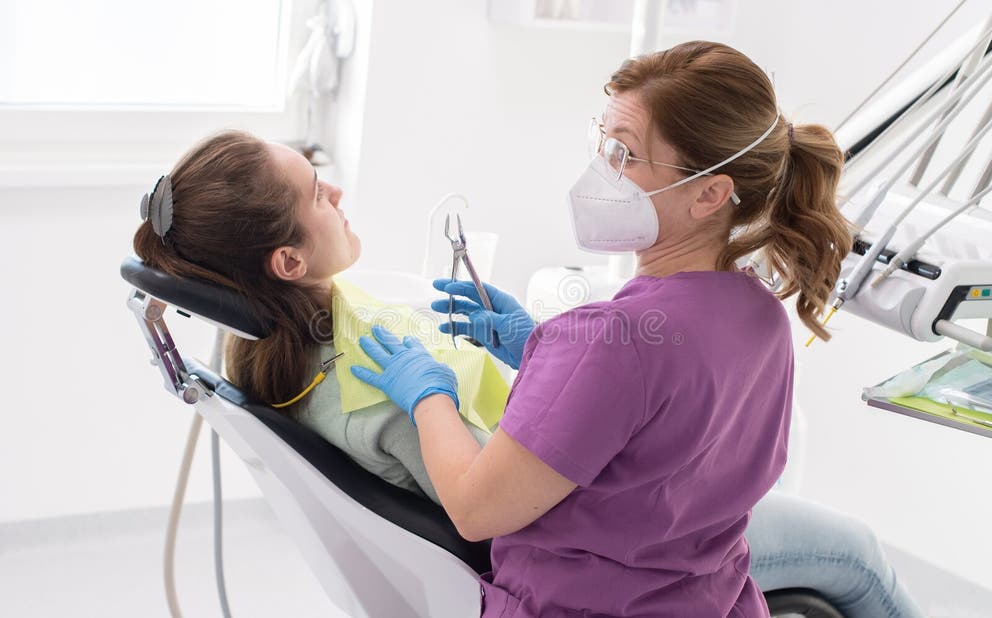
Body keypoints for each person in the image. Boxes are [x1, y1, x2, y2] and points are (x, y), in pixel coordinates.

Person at [130, 45, 923, 615]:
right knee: (856, 551)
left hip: (623, 579)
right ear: (286, 261)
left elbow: (593, 413)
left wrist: (440, 389)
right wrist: (537, 353)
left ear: (710, 194)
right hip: (684, 578)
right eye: (603, 144)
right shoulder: (758, 317)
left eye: (625, 155)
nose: (601, 171)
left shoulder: (605, 342)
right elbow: (636, 410)